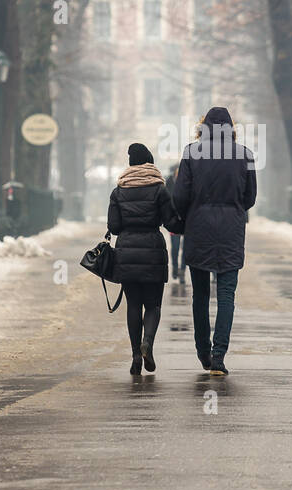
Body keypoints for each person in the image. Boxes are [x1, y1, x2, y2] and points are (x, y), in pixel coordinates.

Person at [171, 106, 257, 375]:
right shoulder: (245, 155)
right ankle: (219, 356)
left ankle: (203, 351)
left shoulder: (191, 153)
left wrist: (189, 215)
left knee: (200, 294)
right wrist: (233, 208)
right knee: (226, 295)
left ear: (203, 127)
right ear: (231, 128)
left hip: (199, 229)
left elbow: (180, 196)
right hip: (231, 231)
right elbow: (250, 197)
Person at [108, 143, 179, 375]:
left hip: (126, 251)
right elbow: (170, 222)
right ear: (150, 163)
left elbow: (114, 227)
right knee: (153, 305)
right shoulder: (159, 189)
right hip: (152, 251)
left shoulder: (119, 190)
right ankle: (147, 342)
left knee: (133, 305)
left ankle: (136, 357)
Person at [165, 163, 187, 285]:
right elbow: (166, 200)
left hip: (187, 221)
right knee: (175, 247)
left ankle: (182, 271)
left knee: (185, 248)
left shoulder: (188, 181)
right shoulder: (169, 182)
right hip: (174, 221)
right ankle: (174, 267)